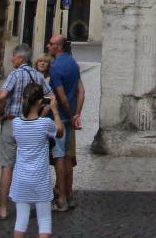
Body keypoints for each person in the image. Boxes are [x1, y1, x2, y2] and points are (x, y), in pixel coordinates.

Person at [0, 43, 53, 221]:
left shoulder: (15, 75)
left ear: (20, 58)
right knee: (32, 163)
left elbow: (2, 96)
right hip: (31, 124)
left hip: (12, 122)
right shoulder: (37, 76)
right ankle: (34, 204)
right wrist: (41, 114)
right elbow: (51, 98)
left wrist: (1, 113)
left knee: (7, 166)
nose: (11, 59)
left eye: (13, 56)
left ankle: (3, 208)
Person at [10, 83, 64, 238]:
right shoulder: (45, 124)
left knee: (20, 221)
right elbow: (59, 132)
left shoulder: (16, 123)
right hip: (40, 179)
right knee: (44, 220)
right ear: (40, 102)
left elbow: (25, 129)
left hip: (21, 178)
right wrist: (54, 110)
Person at [48, 34, 84, 211]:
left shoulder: (55, 68)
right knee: (69, 157)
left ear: (59, 47)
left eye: (51, 44)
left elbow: (61, 98)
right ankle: (69, 196)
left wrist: (69, 116)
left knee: (59, 158)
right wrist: (77, 114)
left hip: (60, 119)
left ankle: (61, 199)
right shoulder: (73, 63)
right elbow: (81, 91)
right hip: (70, 119)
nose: (48, 46)